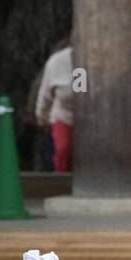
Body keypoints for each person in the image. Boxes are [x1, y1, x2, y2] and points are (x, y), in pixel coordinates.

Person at [37, 40, 74, 173]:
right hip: (64, 118)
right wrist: (42, 117)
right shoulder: (57, 62)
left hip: (88, 121)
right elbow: (45, 95)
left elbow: (80, 95)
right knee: (63, 149)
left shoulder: (86, 64)